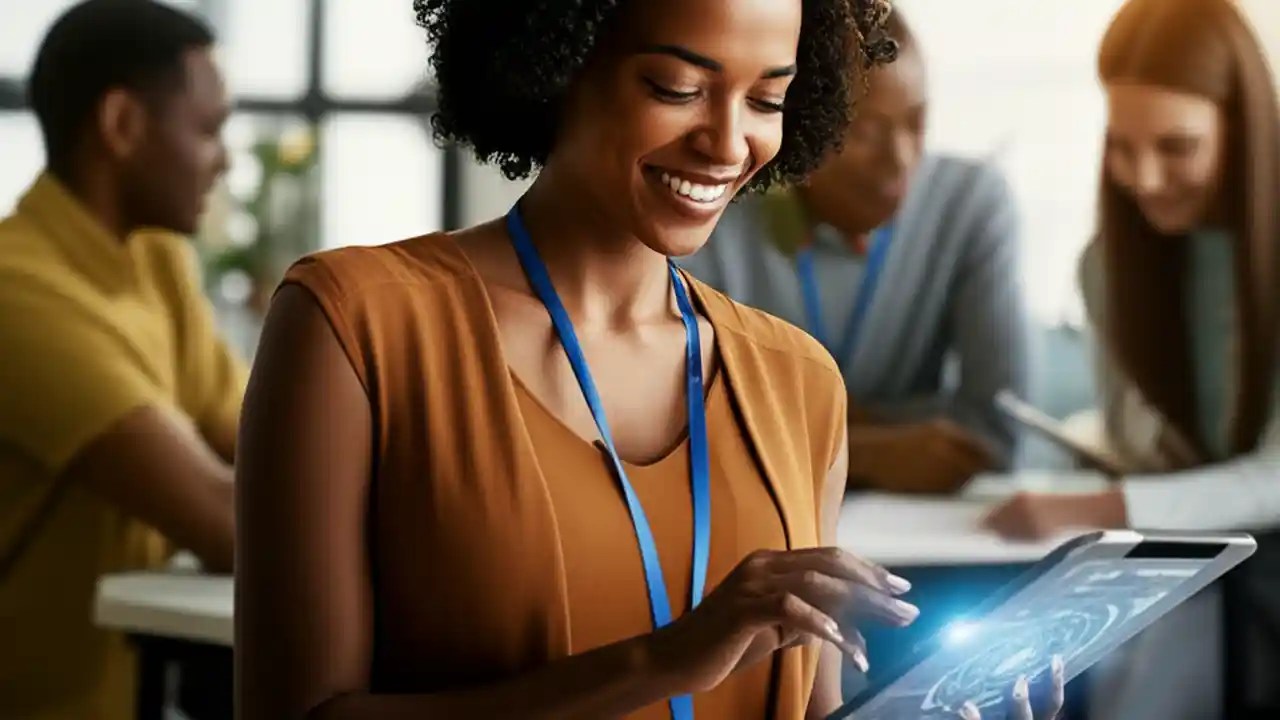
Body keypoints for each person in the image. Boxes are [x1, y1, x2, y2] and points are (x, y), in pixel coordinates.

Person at [235, 0, 1064, 718]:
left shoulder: (797, 382)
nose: (728, 143)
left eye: (768, 99)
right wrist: (663, 661)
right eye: (677, 88)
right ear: (555, 61)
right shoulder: (358, 324)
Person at [983, 1, 1279, 717]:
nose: (1143, 178)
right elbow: (1144, 439)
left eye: (1177, 147)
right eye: (1122, 144)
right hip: (1197, 554)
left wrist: (1093, 506)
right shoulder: (1109, 267)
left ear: (1242, 133)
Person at [0, 2, 242, 718]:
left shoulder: (156, 258)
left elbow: (269, 438)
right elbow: (224, 519)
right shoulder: (15, 290)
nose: (226, 159)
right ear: (122, 126)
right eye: (208, 130)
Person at [679, 11, 1028, 495]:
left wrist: (792, 417)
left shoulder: (972, 205)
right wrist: (872, 448)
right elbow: (688, 433)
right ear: (797, 126)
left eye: (917, 121)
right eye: (866, 132)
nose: (901, 158)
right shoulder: (712, 213)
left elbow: (994, 430)